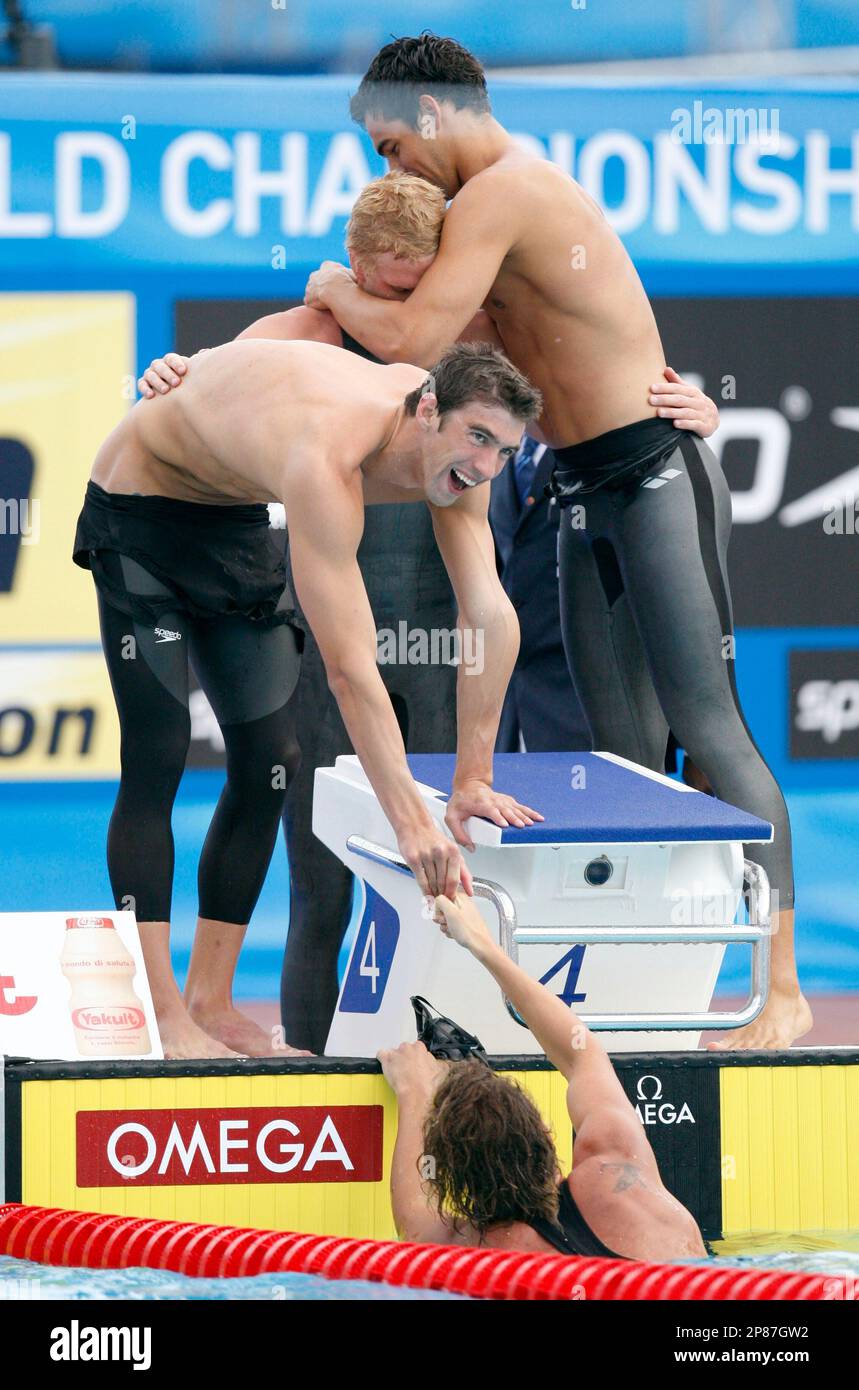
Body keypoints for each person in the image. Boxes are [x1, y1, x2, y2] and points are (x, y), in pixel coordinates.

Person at [305, 33, 809, 1050]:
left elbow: (405, 341)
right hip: (579, 487)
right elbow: (441, 341)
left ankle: (785, 988)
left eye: (391, 145)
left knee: (710, 731)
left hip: (655, 471)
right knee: (620, 759)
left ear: (437, 113)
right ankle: (649, 989)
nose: (386, 168)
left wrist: (324, 279)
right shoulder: (474, 221)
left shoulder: (505, 192)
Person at [140, 174, 722, 1049]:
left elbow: (604, 399)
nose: (397, 312)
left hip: (440, 650)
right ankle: (317, 1074)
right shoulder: (306, 330)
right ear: (352, 267)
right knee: (323, 883)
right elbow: (210, 388)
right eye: (378, 286)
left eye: (415, 290)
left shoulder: (479, 343)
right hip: (329, 646)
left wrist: (686, 411)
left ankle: (448, 1072)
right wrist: (171, 371)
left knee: (451, 882)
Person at [75, 337, 543, 1057]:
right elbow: (350, 669)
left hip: (227, 513)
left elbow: (488, 614)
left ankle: (213, 1000)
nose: (485, 464)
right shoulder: (330, 451)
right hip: (139, 505)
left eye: (504, 451)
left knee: (271, 757)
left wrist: (472, 776)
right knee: (158, 751)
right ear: (427, 410)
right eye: (477, 438)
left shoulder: (462, 461)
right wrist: (412, 823)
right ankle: (160, 1011)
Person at [379, 890, 709, 1260]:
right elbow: (582, 1054)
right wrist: (482, 944)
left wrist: (415, 1093)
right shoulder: (621, 1170)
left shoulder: (472, 1251)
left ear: (454, 1181)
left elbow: (413, 1221)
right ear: (547, 1137)